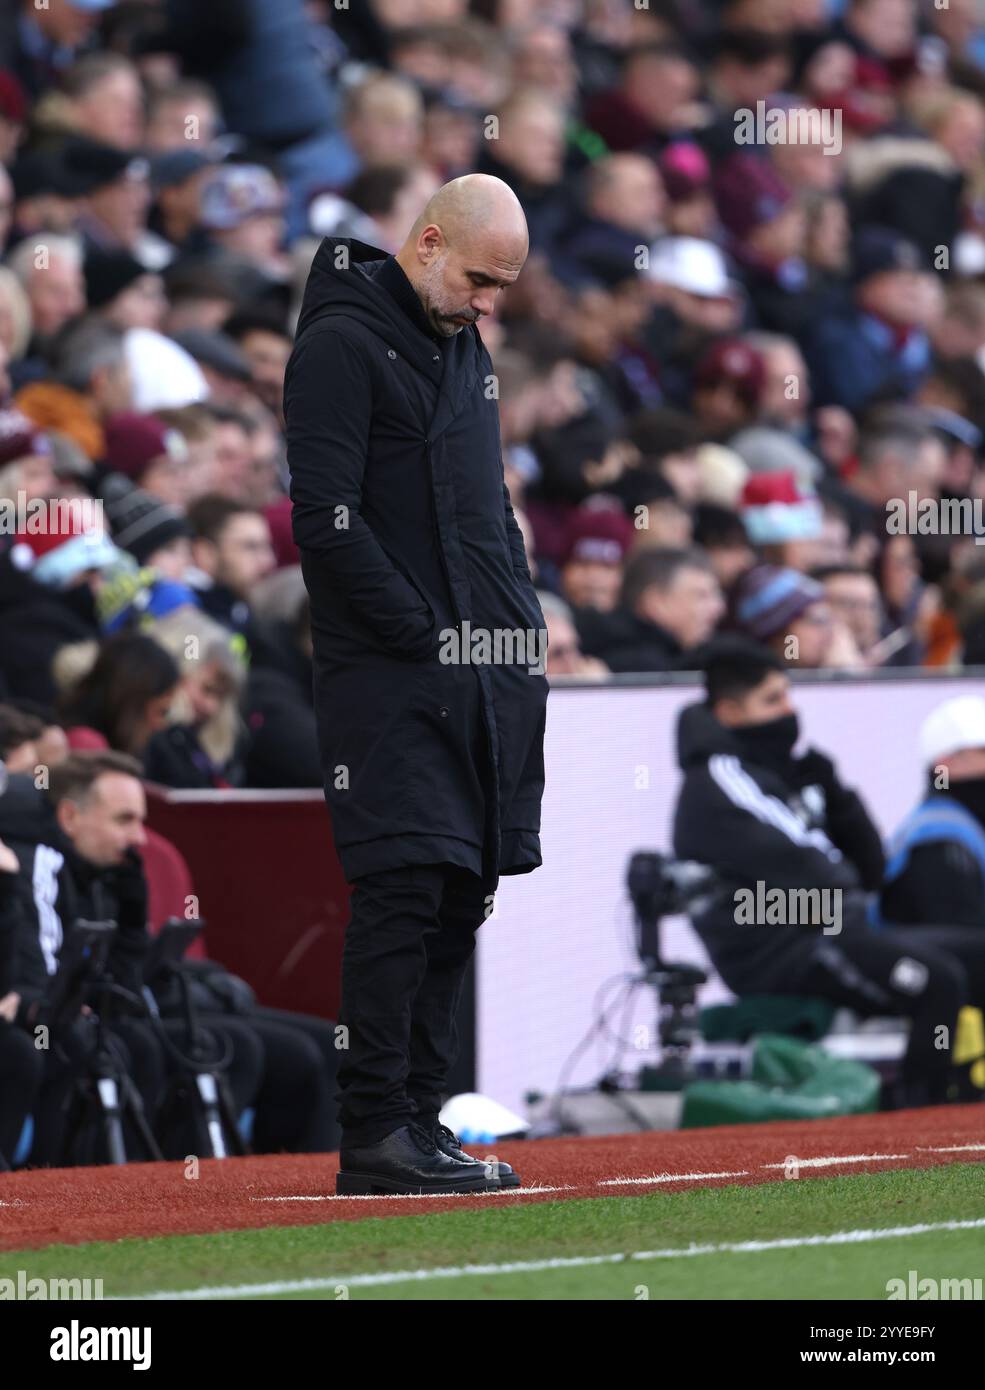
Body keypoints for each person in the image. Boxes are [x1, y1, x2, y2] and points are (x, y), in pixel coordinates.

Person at [285, 173, 548, 1194]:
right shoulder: (339, 348)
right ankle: (372, 1131)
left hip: (480, 675)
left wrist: (517, 627)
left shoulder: (462, 348)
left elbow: (490, 513)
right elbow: (326, 522)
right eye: (482, 279)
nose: (490, 302)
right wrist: (426, 637)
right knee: (404, 886)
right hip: (390, 679)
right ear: (429, 242)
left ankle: (420, 1119)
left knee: (458, 892)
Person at [672, 637, 985, 1107]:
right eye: (772, 700)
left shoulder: (777, 776)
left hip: (833, 932)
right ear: (731, 712)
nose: (789, 711)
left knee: (975, 953)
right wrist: (843, 883)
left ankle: (963, 1098)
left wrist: (838, 797)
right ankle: (919, 1124)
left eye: (788, 695)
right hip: (779, 948)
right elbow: (821, 873)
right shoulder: (721, 776)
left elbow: (870, 871)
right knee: (936, 979)